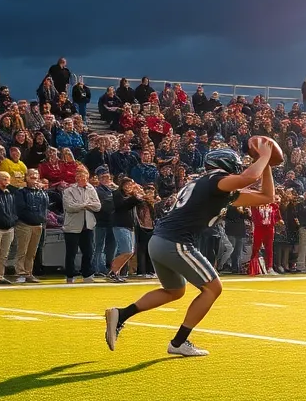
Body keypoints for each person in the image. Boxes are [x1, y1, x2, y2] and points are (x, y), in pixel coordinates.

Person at [105, 139, 278, 358]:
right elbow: (249, 177)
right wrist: (263, 156)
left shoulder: (209, 185)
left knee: (174, 291)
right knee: (213, 288)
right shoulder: (215, 180)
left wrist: (268, 165)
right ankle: (179, 342)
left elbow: (267, 197)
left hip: (161, 241)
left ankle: (121, 315)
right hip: (175, 242)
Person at [62, 165, 102, 283]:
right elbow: (70, 207)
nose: (82, 178)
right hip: (72, 226)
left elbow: (98, 206)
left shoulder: (91, 189)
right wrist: (85, 204)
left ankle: (87, 275)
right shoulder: (68, 190)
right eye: (79, 176)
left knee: (88, 251)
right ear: (76, 178)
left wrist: (81, 205)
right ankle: (70, 275)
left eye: (84, 176)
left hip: (88, 225)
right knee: (71, 253)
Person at [13, 169, 49, 283]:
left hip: (37, 224)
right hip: (24, 224)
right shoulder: (21, 192)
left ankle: (29, 273)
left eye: (36, 175)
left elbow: (46, 205)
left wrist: (43, 191)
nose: (34, 177)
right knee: (22, 251)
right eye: (31, 175)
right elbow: (20, 208)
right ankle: (20, 273)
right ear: (26, 177)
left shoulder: (41, 192)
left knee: (32, 252)